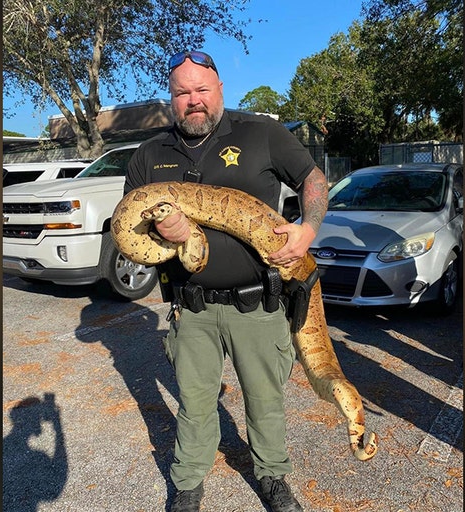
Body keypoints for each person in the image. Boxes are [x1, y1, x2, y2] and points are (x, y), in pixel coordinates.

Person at [124, 50, 329, 512]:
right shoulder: (149, 155)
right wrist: (165, 231)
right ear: (171, 99)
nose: (192, 101)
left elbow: (313, 180)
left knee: (265, 400)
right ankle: (188, 484)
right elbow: (129, 227)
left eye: (201, 90)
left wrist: (308, 228)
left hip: (258, 304)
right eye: (182, 93)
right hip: (192, 308)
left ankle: (273, 477)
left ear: (219, 89)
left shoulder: (262, 133)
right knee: (195, 404)